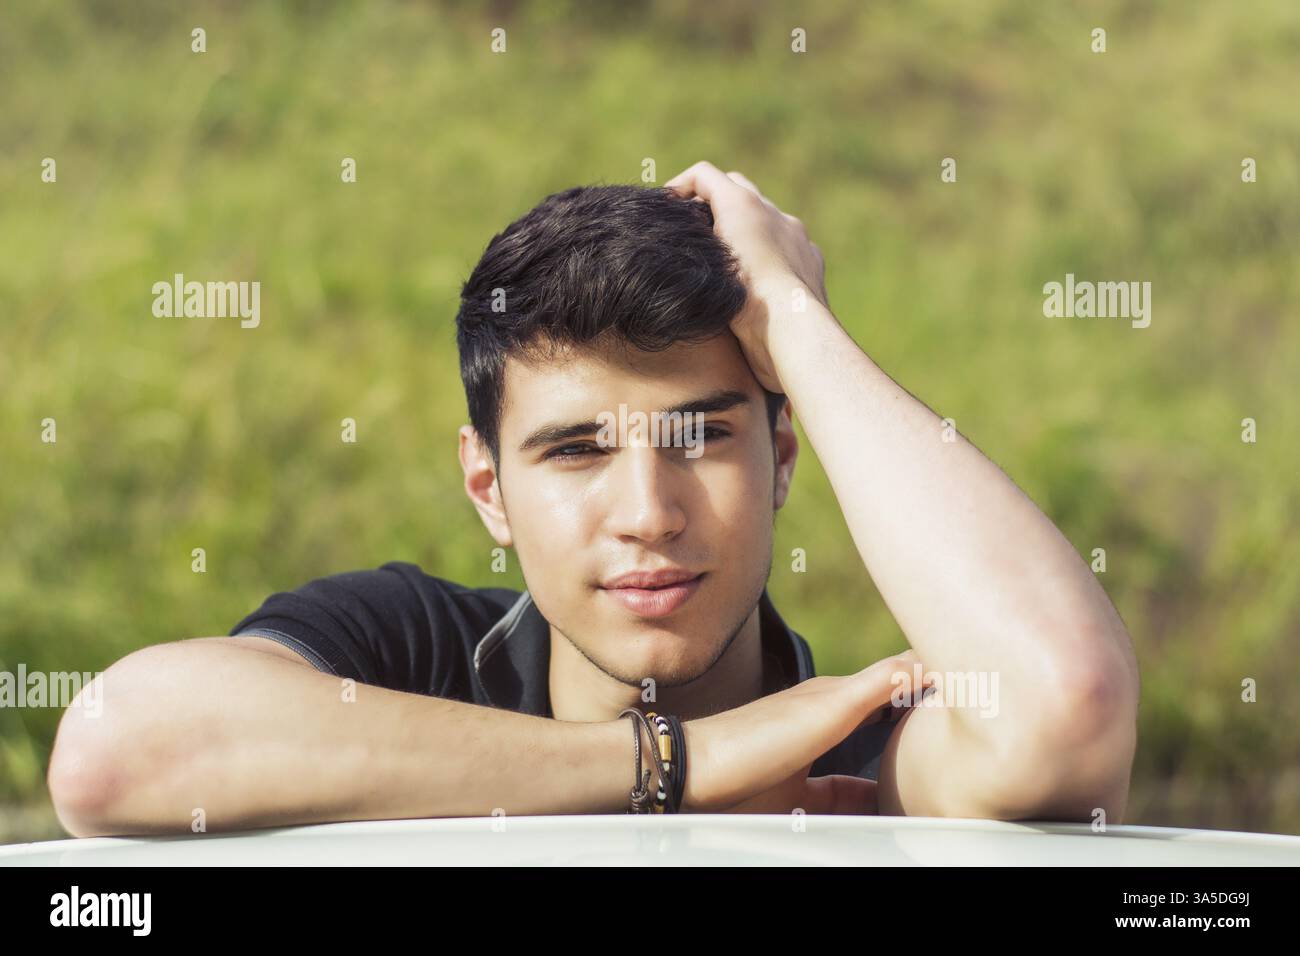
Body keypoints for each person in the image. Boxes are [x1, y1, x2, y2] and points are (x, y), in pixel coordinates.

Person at [47, 161, 1139, 836]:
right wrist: (676, 766)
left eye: (702, 436)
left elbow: (1067, 705)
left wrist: (797, 325)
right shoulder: (402, 649)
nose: (649, 512)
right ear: (490, 488)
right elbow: (115, 752)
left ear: (785, 453)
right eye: (575, 451)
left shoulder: (863, 752)